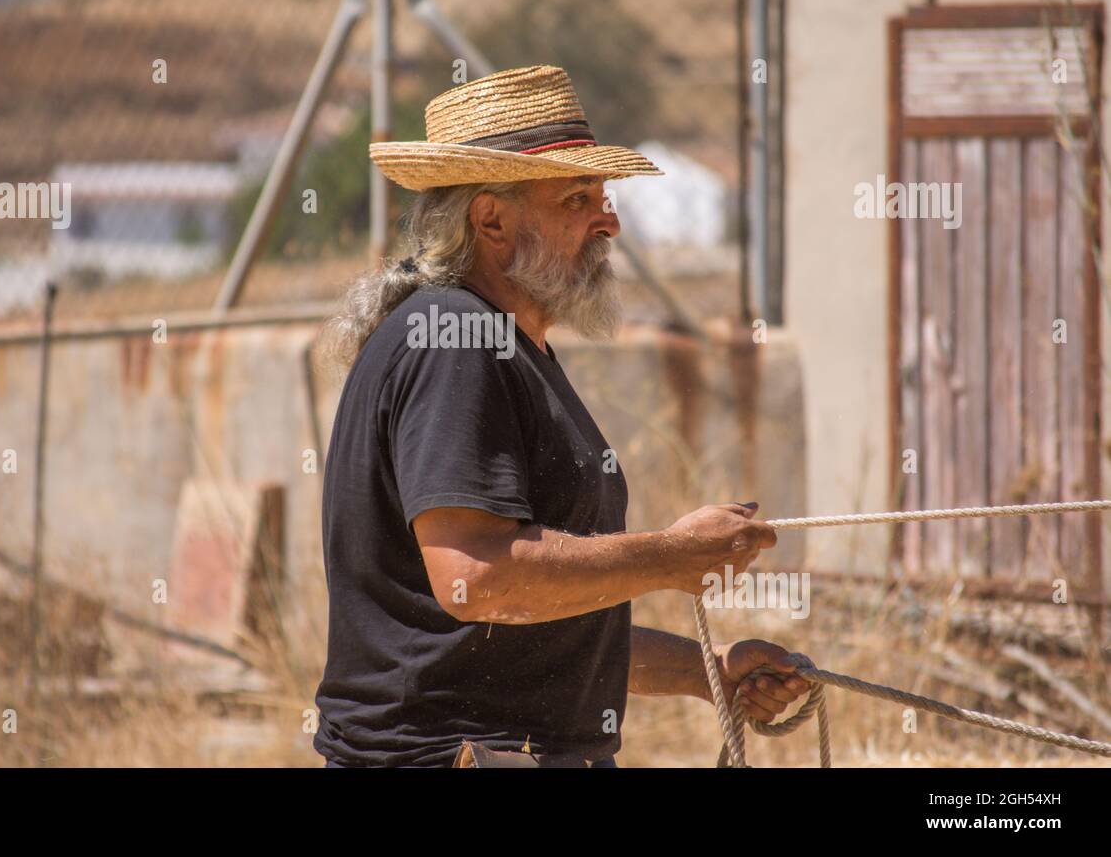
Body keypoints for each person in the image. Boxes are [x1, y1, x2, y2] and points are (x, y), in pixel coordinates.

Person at [314, 65, 808, 767]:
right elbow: (477, 580)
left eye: (603, 197)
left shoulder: (499, 343)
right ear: (491, 218)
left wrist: (712, 670)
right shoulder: (457, 339)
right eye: (578, 199)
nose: (608, 221)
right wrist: (671, 556)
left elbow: (535, 625)